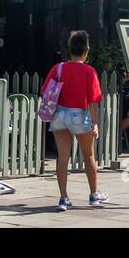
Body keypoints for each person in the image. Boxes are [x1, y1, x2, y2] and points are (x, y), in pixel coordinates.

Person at [46, 30, 109, 211]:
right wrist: (95, 123)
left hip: (59, 115)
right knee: (89, 155)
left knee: (63, 158)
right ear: (87, 49)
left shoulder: (58, 68)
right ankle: (94, 195)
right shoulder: (89, 71)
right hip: (79, 115)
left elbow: (46, 90)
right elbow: (94, 100)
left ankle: (64, 198)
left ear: (69, 49)